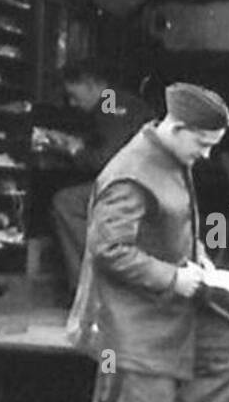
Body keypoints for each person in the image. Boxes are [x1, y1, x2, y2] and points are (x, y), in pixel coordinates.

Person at [71, 82, 229, 402]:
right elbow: (109, 250)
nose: (208, 155)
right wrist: (173, 277)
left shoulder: (171, 156)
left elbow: (172, 220)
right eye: (203, 144)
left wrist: (198, 259)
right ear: (176, 127)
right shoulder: (131, 172)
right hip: (134, 328)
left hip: (168, 312)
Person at [46, 60, 153, 288]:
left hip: (135, 187)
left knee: (66, 203)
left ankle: (94, 282)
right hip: (144, 183)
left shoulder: (110, 102)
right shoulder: (121, 103)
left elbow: (107, 159)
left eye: (74, 95)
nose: (73, 103)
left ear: (90, 84)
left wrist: (73, 149)